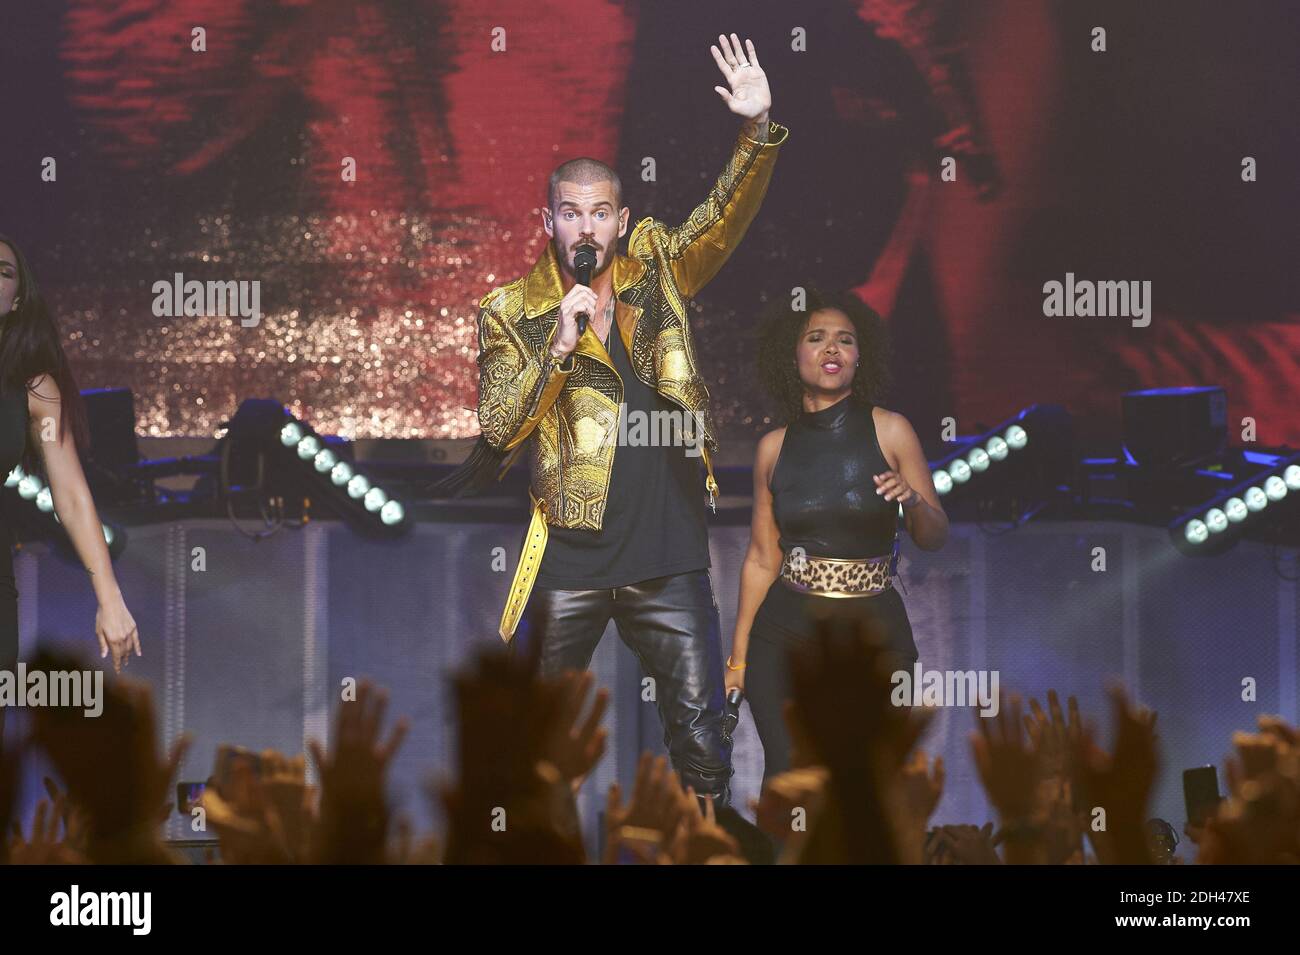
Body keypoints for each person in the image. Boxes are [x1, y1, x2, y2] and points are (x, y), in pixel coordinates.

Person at [433, 34, 788, 804]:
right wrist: (558, 346)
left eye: (600, 213)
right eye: (570, 213)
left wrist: (756, 133)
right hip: (570, 554)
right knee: (539, 746)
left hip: (668, 551)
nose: (586, 228)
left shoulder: (657, 262)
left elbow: (720, 220)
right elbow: (499, 427)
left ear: (622, 220)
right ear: (548, 221)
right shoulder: (512, 310)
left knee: (703, 747)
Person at [730, 288, 947, 785]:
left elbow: (935, 537)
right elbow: (762, 559)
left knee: (870, 785)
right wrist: (737, 660)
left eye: (845, 341)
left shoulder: (892, 431)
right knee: (788, 781)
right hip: (783, 634)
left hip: (874, 634)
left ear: (858, 356)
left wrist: (912, 500)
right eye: (818, 338)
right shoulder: (773, 448)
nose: (832, 349)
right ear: (794, 354)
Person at [0, 234, 141, 749]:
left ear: (17, 299)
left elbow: (71, 493)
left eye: (3, 272)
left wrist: (110, 599)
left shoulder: (34, 389)